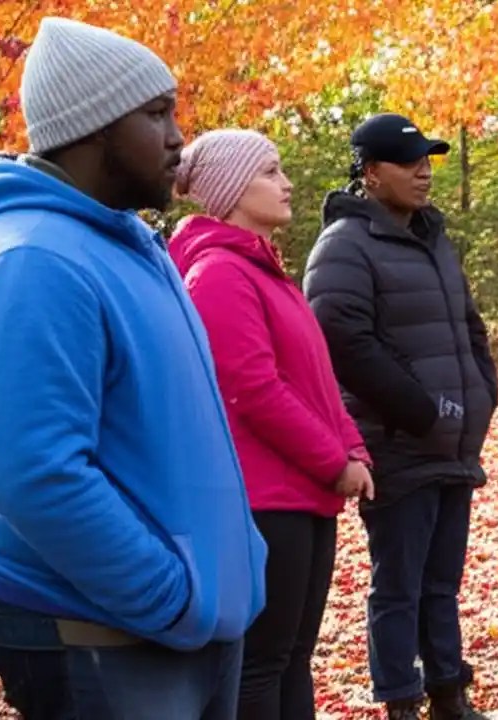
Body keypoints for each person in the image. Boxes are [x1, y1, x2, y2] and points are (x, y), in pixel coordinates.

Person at [0, 17, 266, 720]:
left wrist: (238, 560)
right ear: (93, 130)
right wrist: (172, 596)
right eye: (156, 115)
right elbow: (38, 475)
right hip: (101, 630)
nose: (180, 138)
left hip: (183, 625)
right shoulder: (32, 259)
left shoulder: (127, 245)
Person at [167, 128, 375, 720]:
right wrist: (334, 461)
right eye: (269, 173)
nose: (286, 184)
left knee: (292, 659)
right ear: (231, 189)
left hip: (304, 498)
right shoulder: (219, 274)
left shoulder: (265, 271)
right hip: (266, 501)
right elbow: (252, 389)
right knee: (263, 662)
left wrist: (353, 447)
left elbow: (315, 378)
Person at [303, 113, 498, 720]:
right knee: (399, 589)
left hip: (452, 444)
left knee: (442, 585)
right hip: (398, 445)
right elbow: (342, 339)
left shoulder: (432, 236)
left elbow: (468, 325)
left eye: (429, 160)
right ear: (370, 173)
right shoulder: (344, 246)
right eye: (408, 161)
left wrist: (481, 394)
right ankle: (400, 701)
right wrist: (420, 410)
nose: (424, 171)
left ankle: (449, 694)